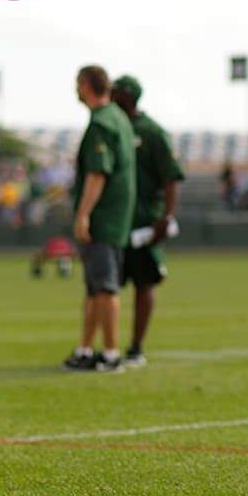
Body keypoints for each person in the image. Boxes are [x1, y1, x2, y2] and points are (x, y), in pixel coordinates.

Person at [62, 66, 136, 372]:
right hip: (116, 215)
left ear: (86, 85)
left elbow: (97, 173)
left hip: (104, 217)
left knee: (105, 287)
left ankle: (110, 352)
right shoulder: (119, 118)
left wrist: (84, 214)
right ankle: (85, 348)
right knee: (95, 288)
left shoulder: (102, 123)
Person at [112, 75, 185, 367]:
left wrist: (165, 217)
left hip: (144, 221)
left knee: (144, 284)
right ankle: (109, 347)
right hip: (115, 220)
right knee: (107, 286)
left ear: (127, 96)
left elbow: (171, 177)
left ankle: (136, 347)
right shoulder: (111, 126)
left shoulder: (152, 132)